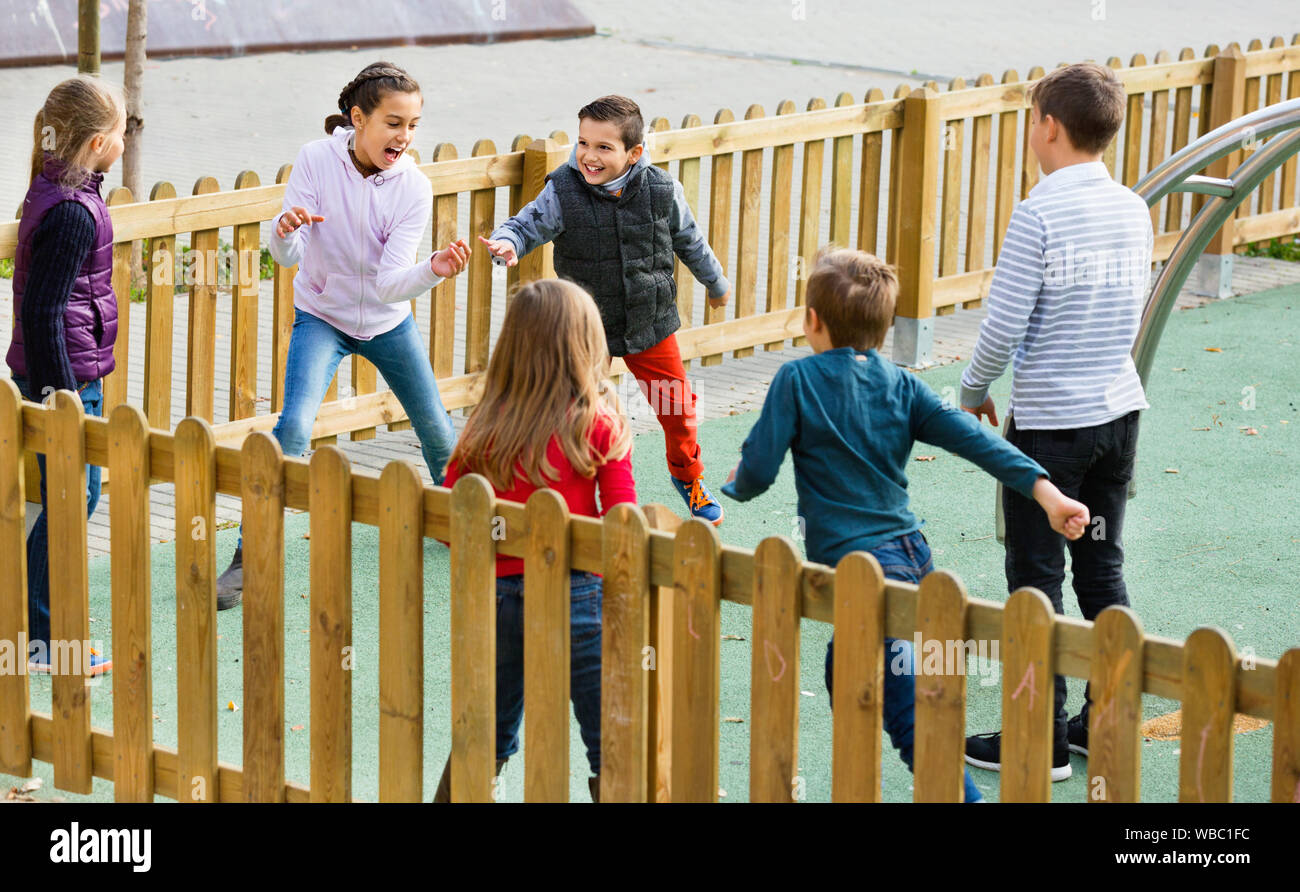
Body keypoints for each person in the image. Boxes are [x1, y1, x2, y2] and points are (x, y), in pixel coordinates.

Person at [721, 248, 1091, 802]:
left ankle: (966, 797)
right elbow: (978, 440)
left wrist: (735, 482)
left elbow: (757, 473)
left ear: (811, 321)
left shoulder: (797, 381)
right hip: (914, 559)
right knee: (848, 666)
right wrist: (1048, 493)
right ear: (885, 325)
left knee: (909, 715)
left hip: (872, 575)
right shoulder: (903, 385)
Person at [216, 61, 470, 607]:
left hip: (387, 322)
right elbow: (287, 256)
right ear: (358, 118)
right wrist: (283, 233)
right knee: (294, 428)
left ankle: (464, 526)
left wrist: (434, 270)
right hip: (322, 317)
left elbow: (389, 285)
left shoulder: (413, 188)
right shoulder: (314, 159)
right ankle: (249, 555)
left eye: (414, 125)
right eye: (393, 123)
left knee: (437, 430)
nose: (404, 137)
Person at [959, 62, 1152, 780]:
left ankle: (1036, 737)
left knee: (1035, 575)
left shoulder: (1038, 210)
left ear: (1047, 126)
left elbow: (1005, 322)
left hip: (1050, 426)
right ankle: (1102, 721)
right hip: (1118, 412)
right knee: (1101, 565)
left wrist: (973, 389)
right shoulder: (1133, 206)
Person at [478, 95, 731, 526]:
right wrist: (508, 243)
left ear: (634, 153)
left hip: (649, 322)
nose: (589, 157)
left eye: (603, 147)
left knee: (677, 408)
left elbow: (690, 240)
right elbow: (526, 224)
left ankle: (687, 475)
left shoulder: (661, 189)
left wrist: (716, 283)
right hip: (585, 325)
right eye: (582, 143)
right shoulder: (563, 188)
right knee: (569, 406)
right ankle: (556, 483)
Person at [434, 279, 637, 803]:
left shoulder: (486, 425)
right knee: (607, 736)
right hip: (576, 598)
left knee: (486, 731)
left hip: (497, 600)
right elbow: (622, 522)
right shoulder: (598, 425)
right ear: (584, 348)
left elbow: (455, 513)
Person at [6, 76, 127, 676]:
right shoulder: (75, 211)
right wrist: (63, 397)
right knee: (71, 497)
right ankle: (44, 638)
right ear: (102, 142)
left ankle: (35, 627)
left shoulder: (54, 188)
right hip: (66, 379)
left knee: (74, 497)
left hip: (65, 372)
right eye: (124, 128)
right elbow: (43, 310)